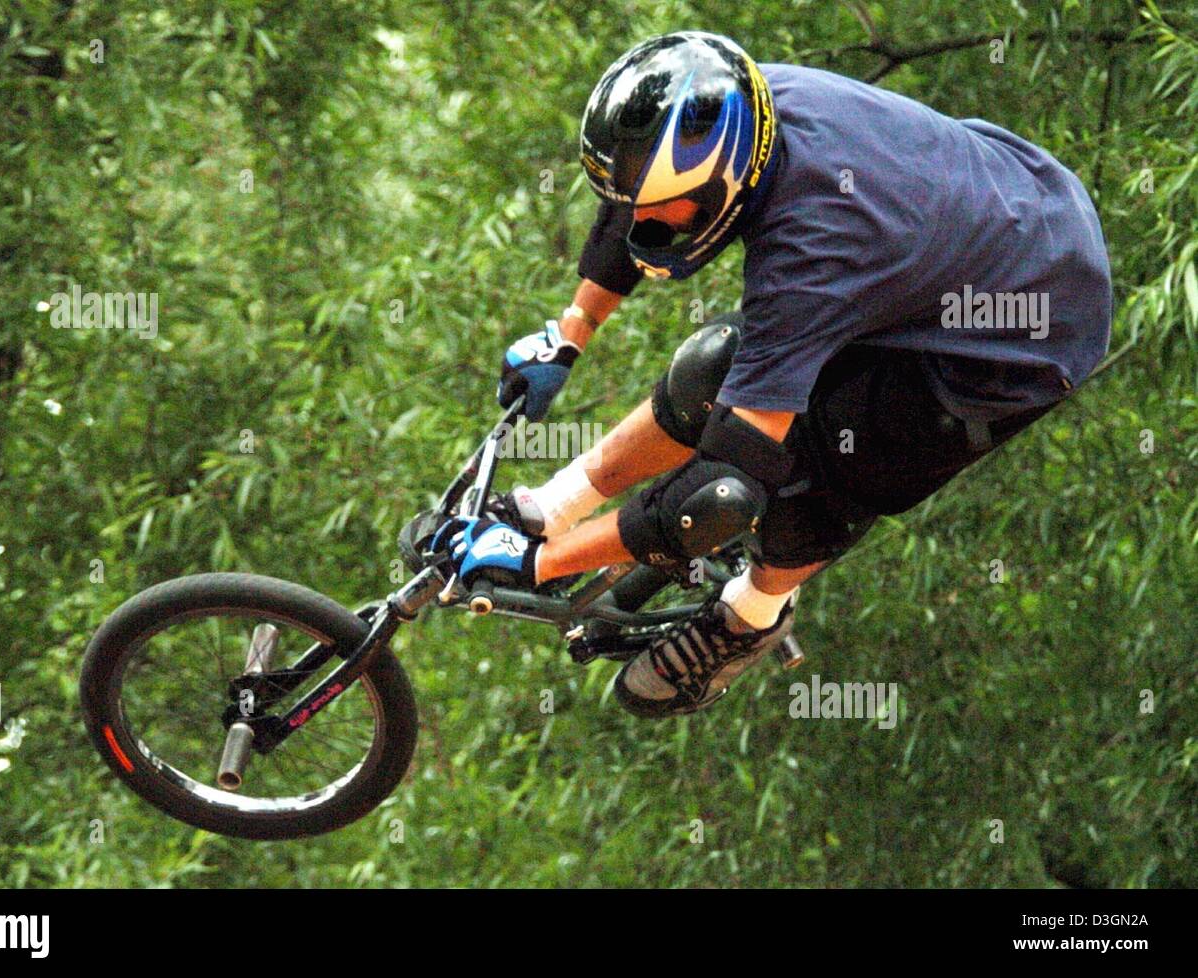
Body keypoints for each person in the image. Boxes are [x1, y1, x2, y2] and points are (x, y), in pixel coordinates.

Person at [431, 31, 1112, 719]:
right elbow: (635, 196)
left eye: (654, 207)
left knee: (808, 477)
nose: (639, 218)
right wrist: (567, 333)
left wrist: (538, 566)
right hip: (987, 210)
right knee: (712, 370)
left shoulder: (810, 254)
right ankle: (552, 505)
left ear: (721, 182)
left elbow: (721, 491)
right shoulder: (731, 98)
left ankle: (750, 618)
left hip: (1025, 332)